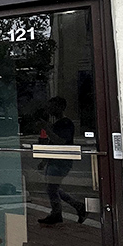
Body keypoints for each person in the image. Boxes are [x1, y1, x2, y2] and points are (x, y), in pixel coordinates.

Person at [38, 96, 87, 225]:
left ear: (60, 107)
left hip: (61, 161)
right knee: (52, 187)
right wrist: (44, 160)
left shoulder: (66, 123)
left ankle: (58, 212)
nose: (49, 109)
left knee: (52, 188)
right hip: (55, 160)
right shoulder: (58, 123)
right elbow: (51, 144)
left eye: (52, 106)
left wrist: (47, 129)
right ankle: (75, 207)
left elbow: (60, 141)